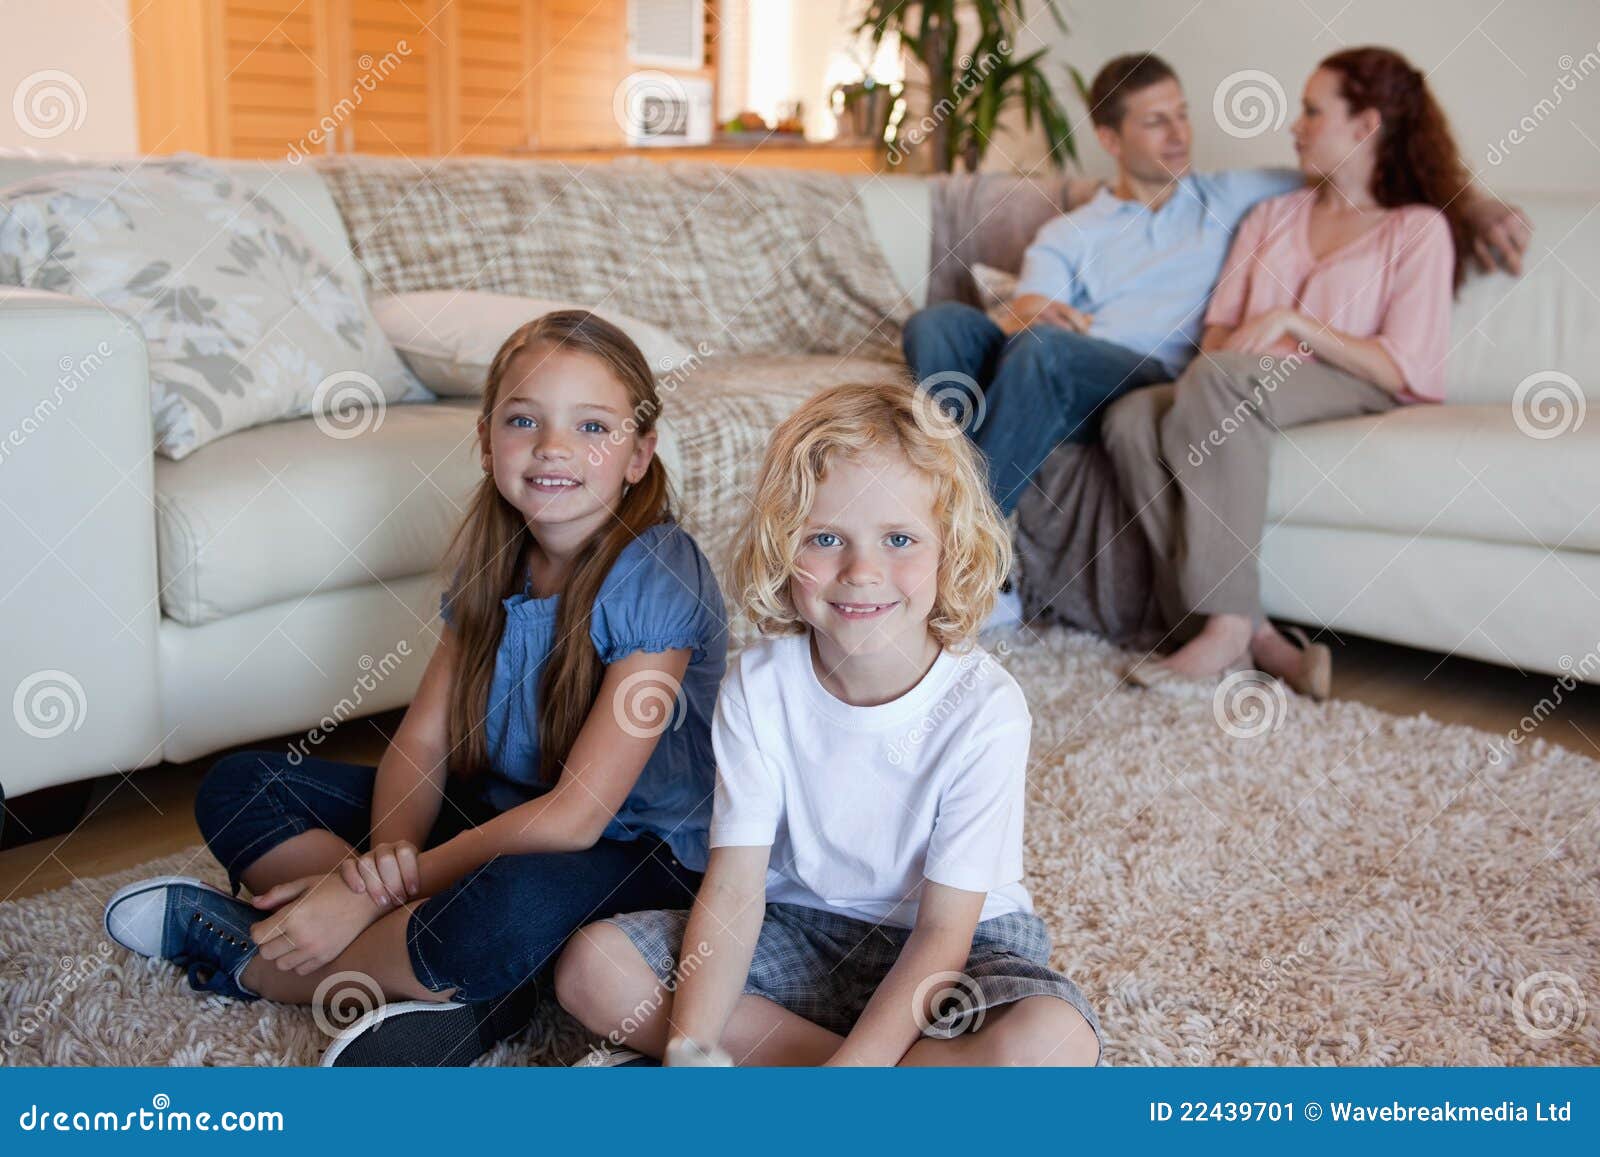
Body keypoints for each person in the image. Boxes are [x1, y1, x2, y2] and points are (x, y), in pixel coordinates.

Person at [102, 311, 727, 1066]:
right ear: (486, 440)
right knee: (241, 783)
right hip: (502, 814)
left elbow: (574, 818)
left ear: (638, 454)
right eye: (523, 419)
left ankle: (265, 965)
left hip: (639, 852)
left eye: (592, 426)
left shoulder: (659, 570)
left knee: (511, 906)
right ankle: (451, 977)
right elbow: (425, 741)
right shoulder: (492, 561)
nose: (554, 447)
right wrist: (387, 860)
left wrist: (366, 892)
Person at [555, 382, 1103, 1067]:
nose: (862, 570)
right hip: (796, 928)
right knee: (593, 967)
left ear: (950, 549)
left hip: (957, 940)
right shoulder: (759, 684)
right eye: (825, 538)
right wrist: (690, 1048)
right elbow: (732, 890)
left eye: (899, 538)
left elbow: (941, 934)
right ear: (785, 548)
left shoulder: (986, 707)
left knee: (1056, 1041)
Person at [902, 52, 1529, 524]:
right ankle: (967, 519)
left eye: (1182, 115)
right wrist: (1032, 312)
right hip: (1061, 360)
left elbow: (1374, 169)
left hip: (1155, 374)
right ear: (1110, 141)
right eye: (1155, 122)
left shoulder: (1237, 196)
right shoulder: (1070, 232)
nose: (1178, 134)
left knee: (1041, 354)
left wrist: (1471, 206)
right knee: (935, 326)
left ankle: (959, 547)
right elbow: (1032, 306)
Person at [1102, 47, 1468, 696]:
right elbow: (1218, 333)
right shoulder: (1271, 216)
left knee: (1221, 382)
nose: (1294, 126)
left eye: (1311, 111)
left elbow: (1404, 364)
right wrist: (1231, 360)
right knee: (1132, 417)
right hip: (1243, 381)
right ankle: (1250, 630)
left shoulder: (1416, 230)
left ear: (1365, 126)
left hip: (1355, 383)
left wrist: (1295, 326)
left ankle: (1224, 630)